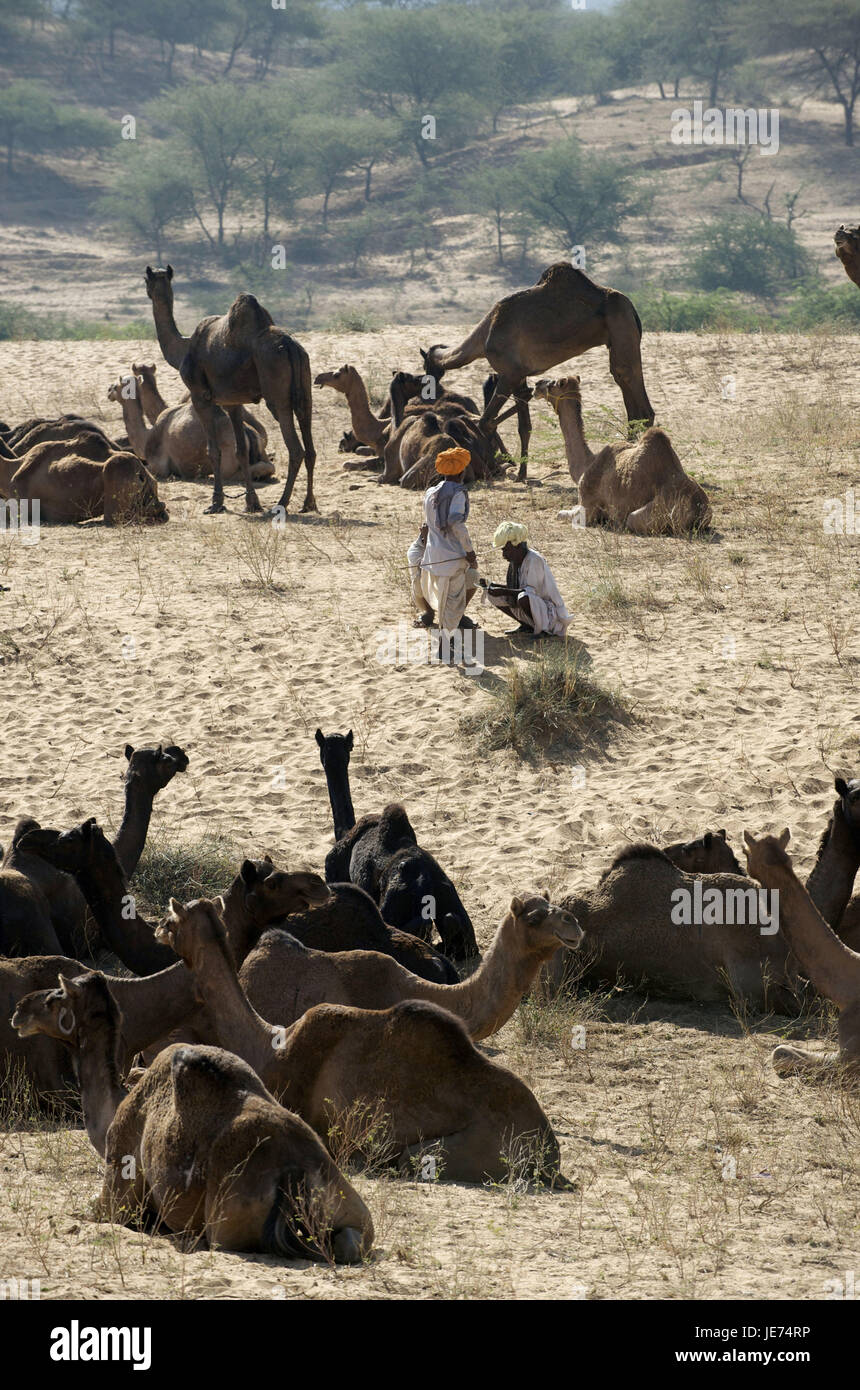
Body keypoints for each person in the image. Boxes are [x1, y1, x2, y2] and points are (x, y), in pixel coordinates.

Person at [418, 447, 479, 652]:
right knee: (453, 603)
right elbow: (456, 523)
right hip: (453, 559)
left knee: (444, 601)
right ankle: (445, 643)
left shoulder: (429, 493)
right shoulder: (459, 494)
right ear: (462, 472)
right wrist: (469, 552)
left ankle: (445, 639)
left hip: (433, 558)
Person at [482, 520, 572, 637]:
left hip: (549, 615)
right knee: (492, 594)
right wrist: (493, 586)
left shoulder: (534, 560)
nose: (503, 555)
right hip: (534, 606)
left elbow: (528, 593)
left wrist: (503, 590)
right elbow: (515, 589)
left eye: (506, 550)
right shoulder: (515, 561)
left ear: (518, 546)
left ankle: (543, 630)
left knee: (523, 597)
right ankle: (526, 625)